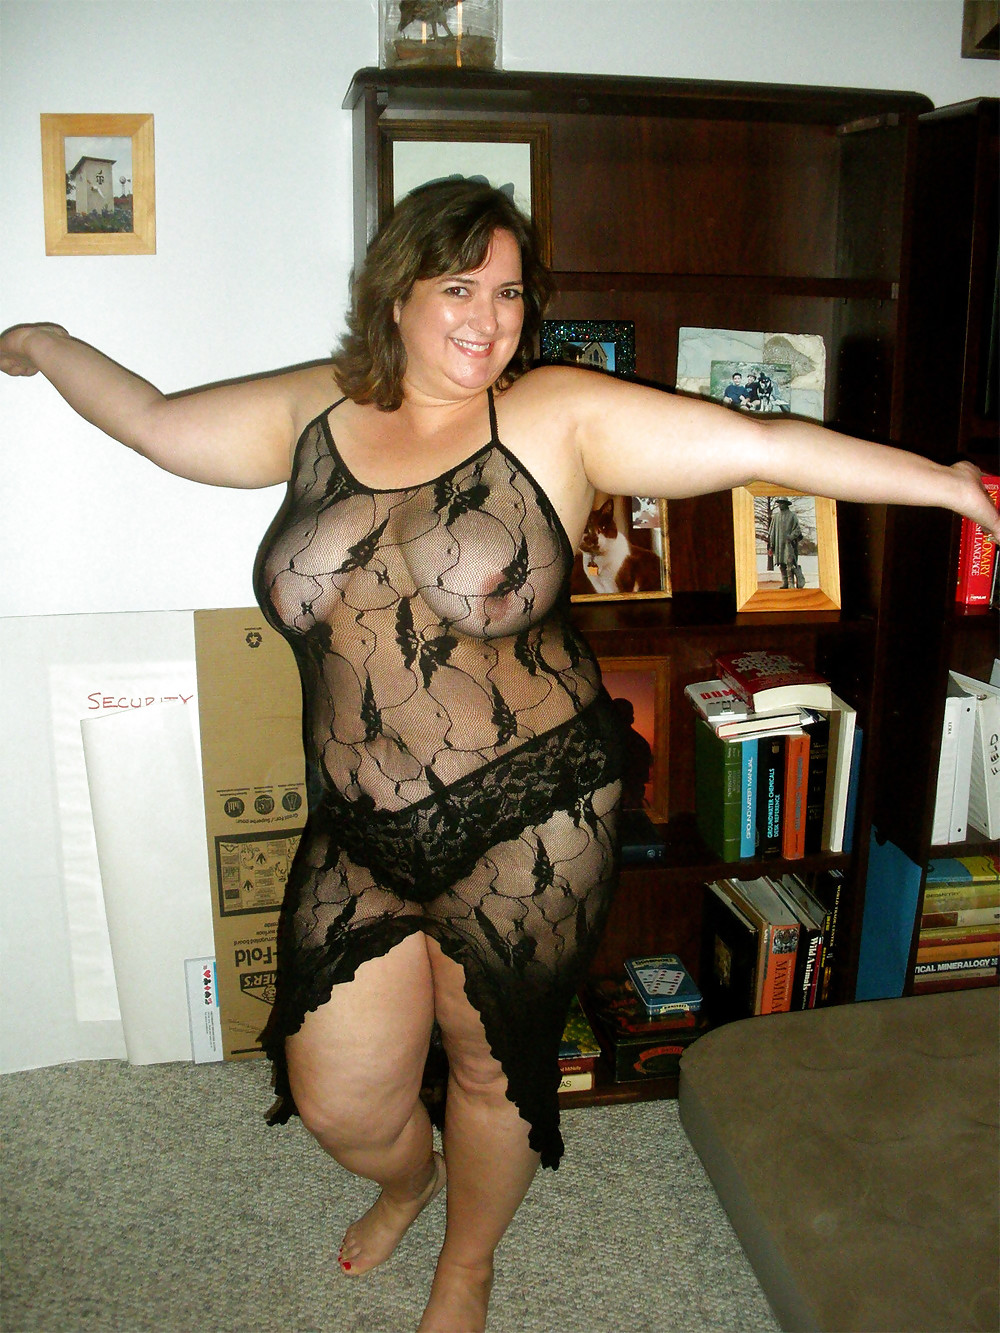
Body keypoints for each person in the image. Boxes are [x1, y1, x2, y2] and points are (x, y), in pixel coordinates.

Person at [3, 177, 998, 1333]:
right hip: (360, 828)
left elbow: (761, 444)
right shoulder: (315, 410)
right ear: (395, 295)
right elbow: (154, 420)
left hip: (532, 809)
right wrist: (44, 342)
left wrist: (947, 487)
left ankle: (467, 1265)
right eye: (459, 288)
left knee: (491, 1066)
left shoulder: (556, 415)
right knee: (339, 1101)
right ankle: (407, 1180)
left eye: (511, 293)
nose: (488, 318)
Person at [768, 496, 806, 588]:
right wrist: (771, 546)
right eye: (779, 503)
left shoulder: (792, 516)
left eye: (782, 503)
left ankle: (791, 583)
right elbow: (772, 532)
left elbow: (797, 529)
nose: (780, 505)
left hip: (789, 544)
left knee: (790, 563)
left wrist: (791, 537)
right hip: (779, 544)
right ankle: (785, 583)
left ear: (786, 504)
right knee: (781, 564)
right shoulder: (776, 517)